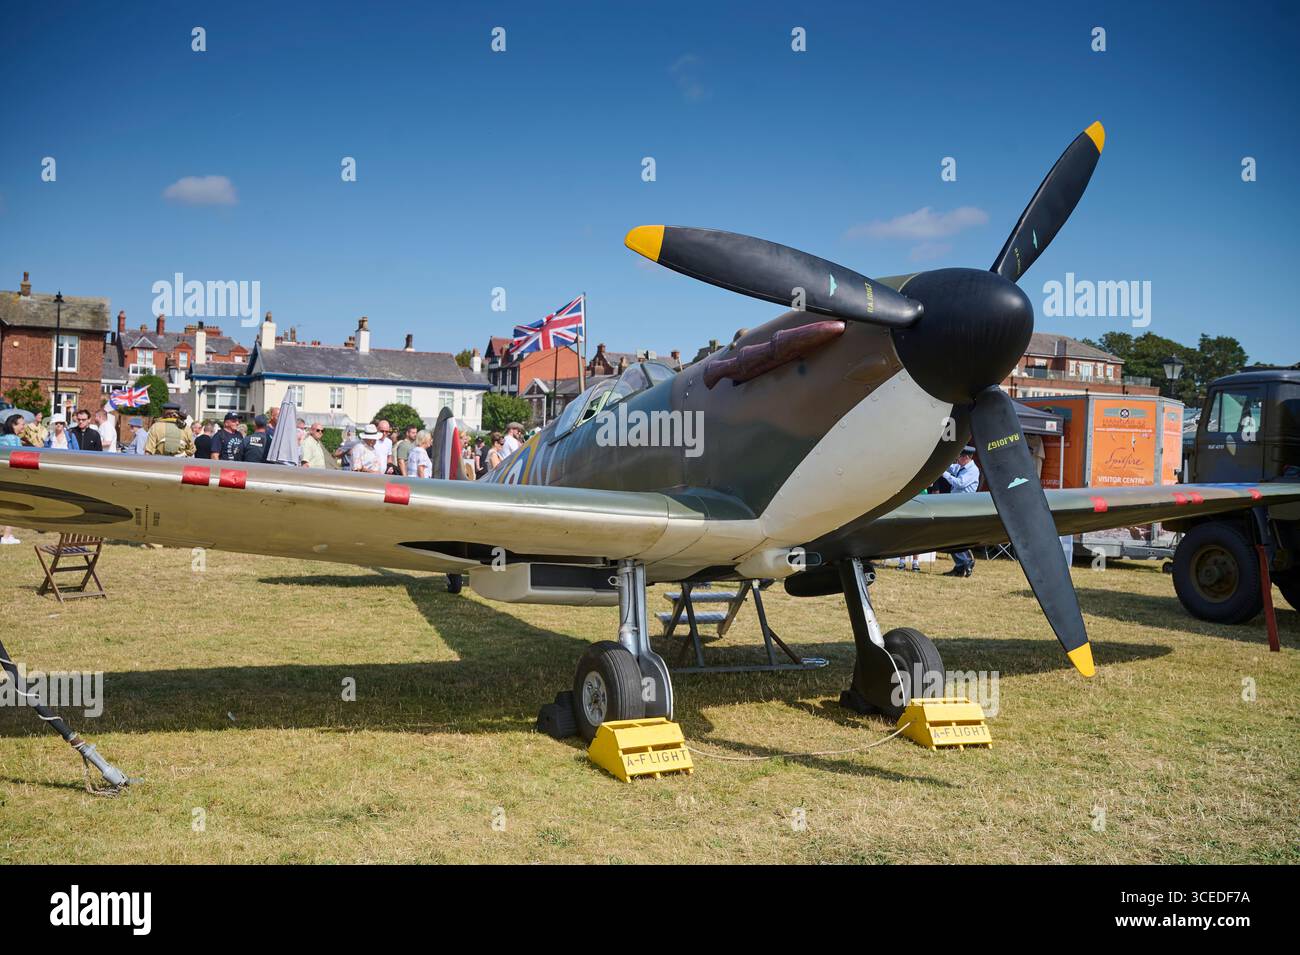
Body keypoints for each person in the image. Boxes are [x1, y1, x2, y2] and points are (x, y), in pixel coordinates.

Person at [941, 445, 981, 578]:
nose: (957, 460)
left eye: (959, 457)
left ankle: (966, 561)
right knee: (950, 536)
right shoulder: (961, 466)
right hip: (955, 505)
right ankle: (960, 566)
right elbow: (951, 468)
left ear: (966, 458)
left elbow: (960, 483)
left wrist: (944, 474)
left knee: (954, 536)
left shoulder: (972, 470)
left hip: (964, 506)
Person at [0, 414, 24, 544]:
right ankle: (7, 536)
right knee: (13, 506)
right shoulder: (15, 439)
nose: (23, 426)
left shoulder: (2, 438)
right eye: (21, 423)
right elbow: (19, 458)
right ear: (14, 425)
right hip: (12, 476)